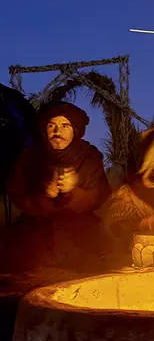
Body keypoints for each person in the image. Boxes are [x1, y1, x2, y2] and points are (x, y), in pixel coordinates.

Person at [4, 101, 111, 271]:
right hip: (36, 227)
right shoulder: (29, 158)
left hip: (79, 228)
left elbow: (100, 196)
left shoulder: (89, 157)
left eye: (65, 126)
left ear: (75, 130)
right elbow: (16, 193)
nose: (57, 132)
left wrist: (74, 191)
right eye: (51, 125)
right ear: (44, 130)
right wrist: (44, 196)